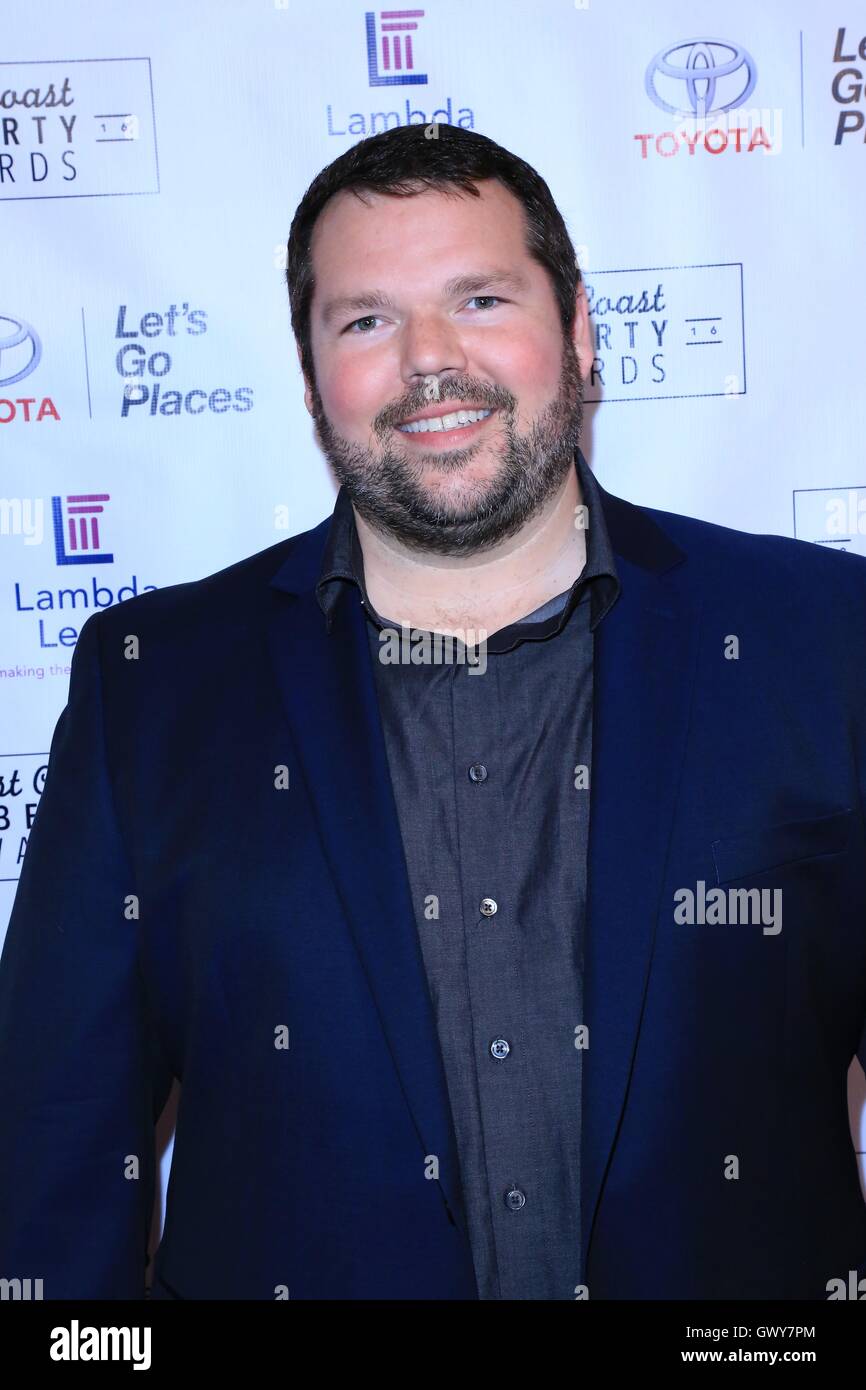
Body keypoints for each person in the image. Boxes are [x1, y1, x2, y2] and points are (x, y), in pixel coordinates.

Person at [1, 122, 865, 1301]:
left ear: (577, 334)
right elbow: (51, 1156)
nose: (428, 360)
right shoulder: (151, 683)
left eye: (478, 299)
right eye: (366, 320)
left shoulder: (820, 636)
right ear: (312, 383)